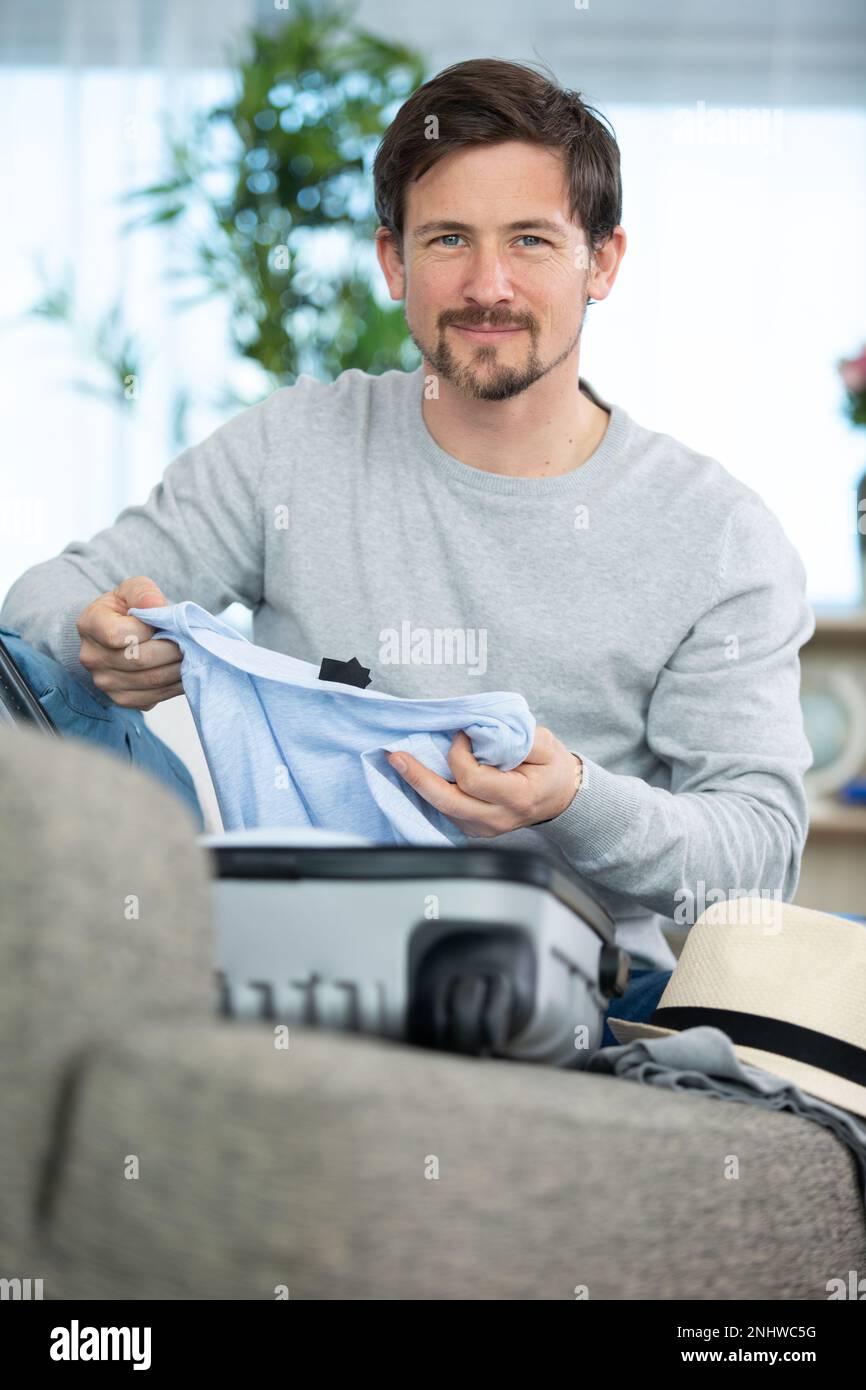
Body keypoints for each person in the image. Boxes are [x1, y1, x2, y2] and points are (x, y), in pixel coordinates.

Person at [0, 58, 815, 997]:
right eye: (448, 241)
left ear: (604, 261)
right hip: (283, 947)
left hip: (566, 981)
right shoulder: (293, 446)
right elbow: (42, 601)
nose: (488, 285)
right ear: (395, 262)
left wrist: (574, 799)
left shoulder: (718, 535)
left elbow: (757, 858)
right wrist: (92, 634)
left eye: (532, 242)